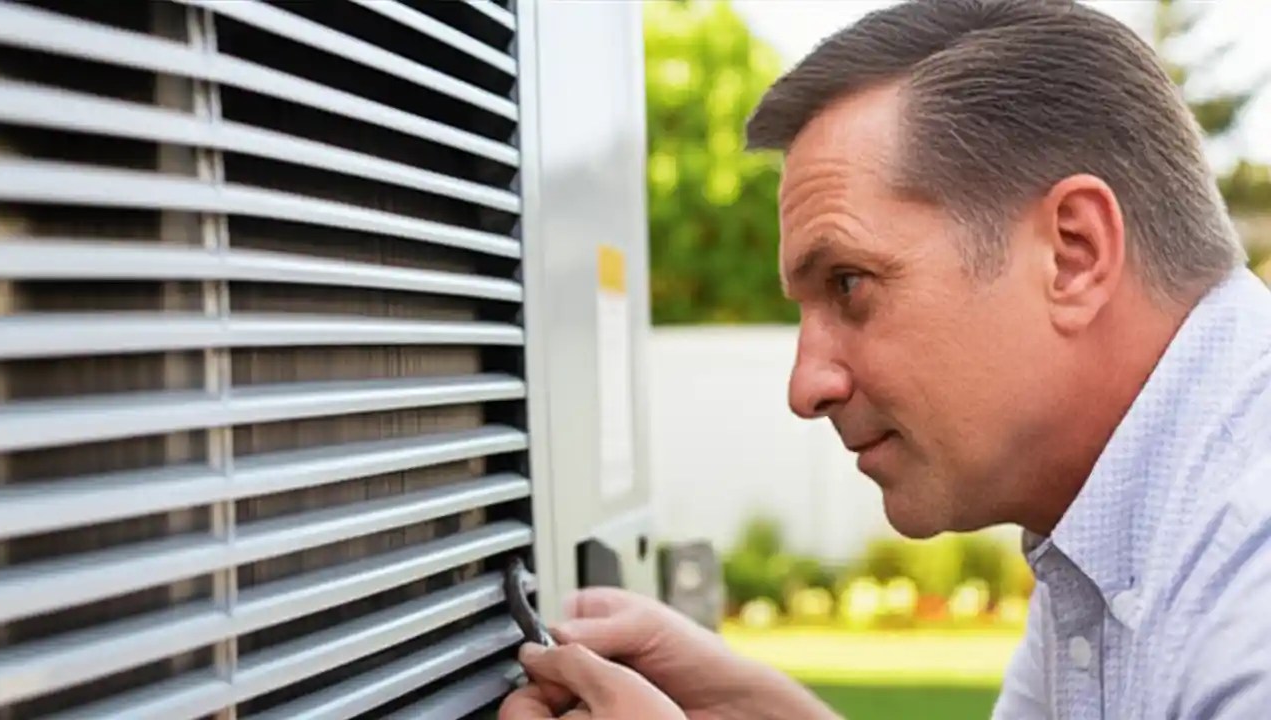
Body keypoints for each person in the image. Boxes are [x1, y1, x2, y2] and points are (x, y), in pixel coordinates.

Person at [499, 0, 1271, 717]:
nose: (807, 388)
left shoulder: (1250, 561)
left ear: (1072, 253)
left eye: (849, 283)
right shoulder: (1116, 541)